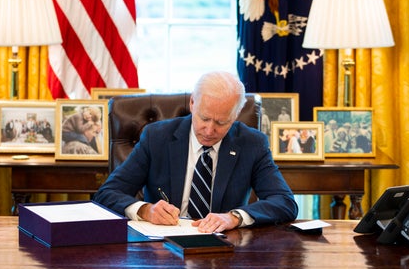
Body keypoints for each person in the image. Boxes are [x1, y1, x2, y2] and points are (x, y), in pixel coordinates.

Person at [93, 71, 298, 233]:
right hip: (163, 249)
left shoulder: (252, 144)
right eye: (204, 118)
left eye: (221, 122)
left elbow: (284, 202)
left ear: (236, 115)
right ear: (192, 104)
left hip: (225, 250)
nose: (209, 131)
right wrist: (145, 210)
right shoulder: (157, 137)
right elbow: (107, 194)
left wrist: (234, 217)